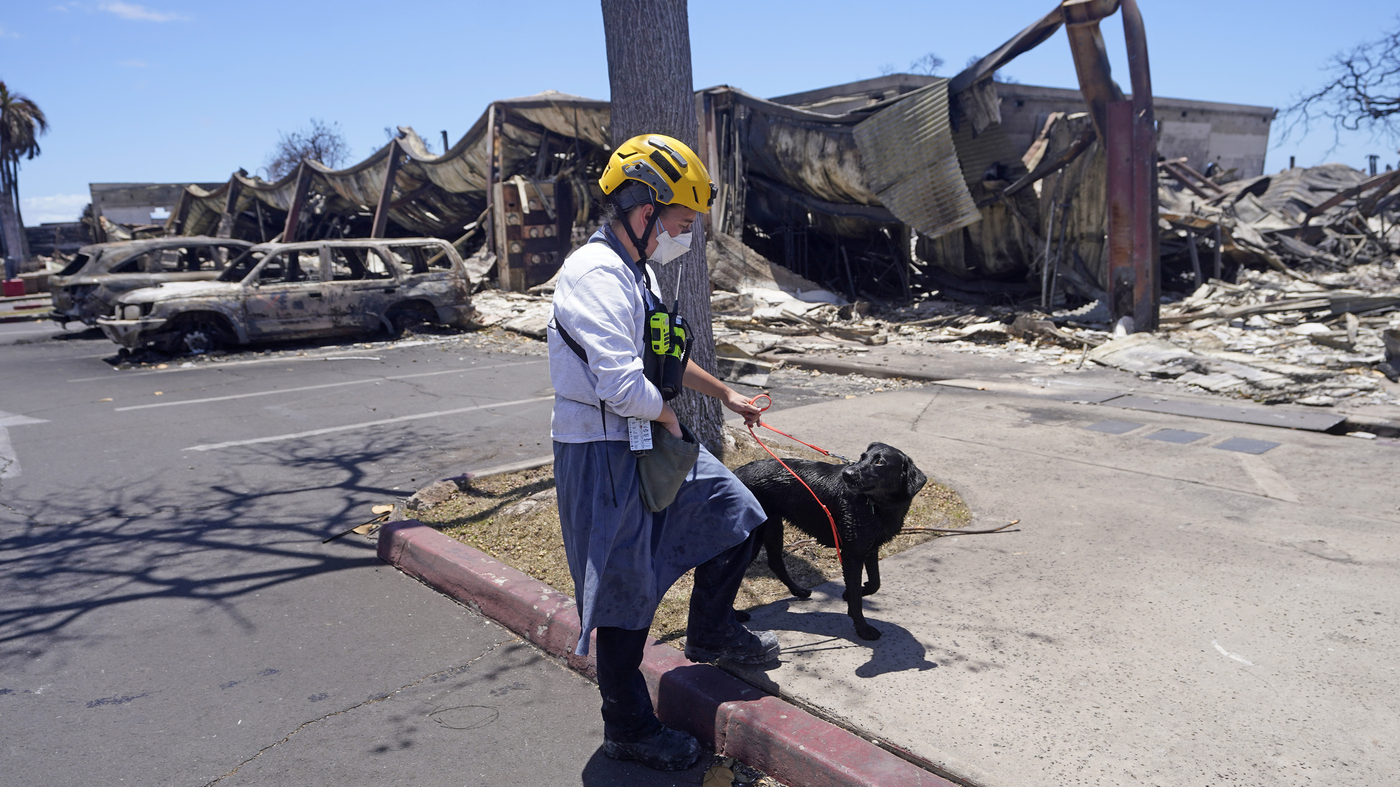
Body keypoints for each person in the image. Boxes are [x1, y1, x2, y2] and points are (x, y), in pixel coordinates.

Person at [548, 134, 776, 772]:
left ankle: (709, 630)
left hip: (648, 437)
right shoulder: (593, 275)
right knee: (622, 592)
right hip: (602, 451)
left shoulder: (635, 271)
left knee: (736, 513)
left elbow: (662, 358)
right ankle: (628, 727)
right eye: (677, 223)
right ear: (641, 206)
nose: (679, 237)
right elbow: (621, 386)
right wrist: (673, 415)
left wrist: (725, 392)